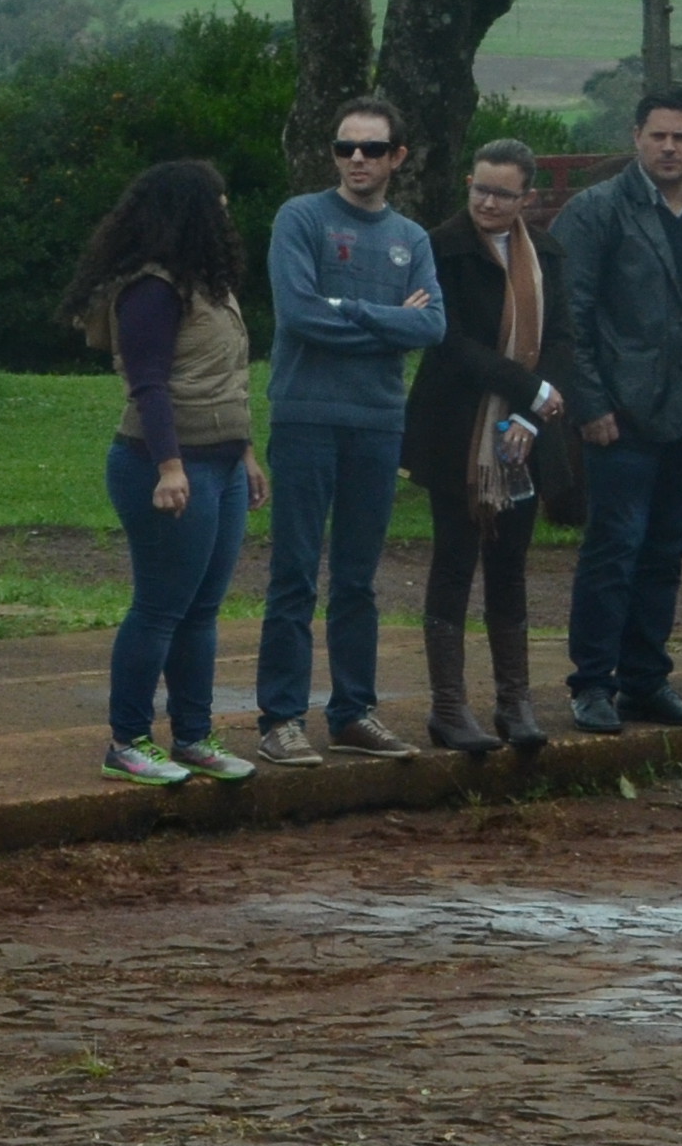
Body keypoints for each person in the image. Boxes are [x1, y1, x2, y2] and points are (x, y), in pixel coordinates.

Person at [548, 85, 682, 734]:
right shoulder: (597, 212)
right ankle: (592, 685)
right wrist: (590, 404)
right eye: (657, 135)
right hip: (623, 419)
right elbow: (568, 319)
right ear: (636, 136)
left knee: (666, 553)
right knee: (615, 549)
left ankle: (646, 683)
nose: (668, 147)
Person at [252, 98, 445, 763]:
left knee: (359, 578)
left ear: (398, 157)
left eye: (370, 148)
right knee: (295, 573)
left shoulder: (412, 239)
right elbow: (302, 315)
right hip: (306, 416)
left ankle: (354, 712)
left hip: (378, 423)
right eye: (344, 148)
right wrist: (387, 320)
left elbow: (433, 326)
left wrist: (353, 310)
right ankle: (280, 719)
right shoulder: (300, 218)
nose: (356, 159)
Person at [67, 160, 264, 787]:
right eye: (221, 204)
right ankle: (127, 741)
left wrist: (248, 456)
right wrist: (170, 468)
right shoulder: (152, 290)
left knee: (202, 609)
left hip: (222, 464)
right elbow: (149, 384)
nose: (229, 214)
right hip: (166, 467)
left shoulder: (208, 287)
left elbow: (227, 381)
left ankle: (194, 736)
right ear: (194, 214)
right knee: (159, 607)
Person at [406, 140, 567, 751]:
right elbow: (447, 339)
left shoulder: (546, 252)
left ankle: (514, 701)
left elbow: (564, 338)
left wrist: (533, 412)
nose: (488, 203)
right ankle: (448, 707)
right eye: (480, 189)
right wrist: (528, 388)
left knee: (510, 564)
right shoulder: (439, 246)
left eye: (503, 193)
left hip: (524, 435)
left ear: (527, 197)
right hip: (455, 427)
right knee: (454, 559)